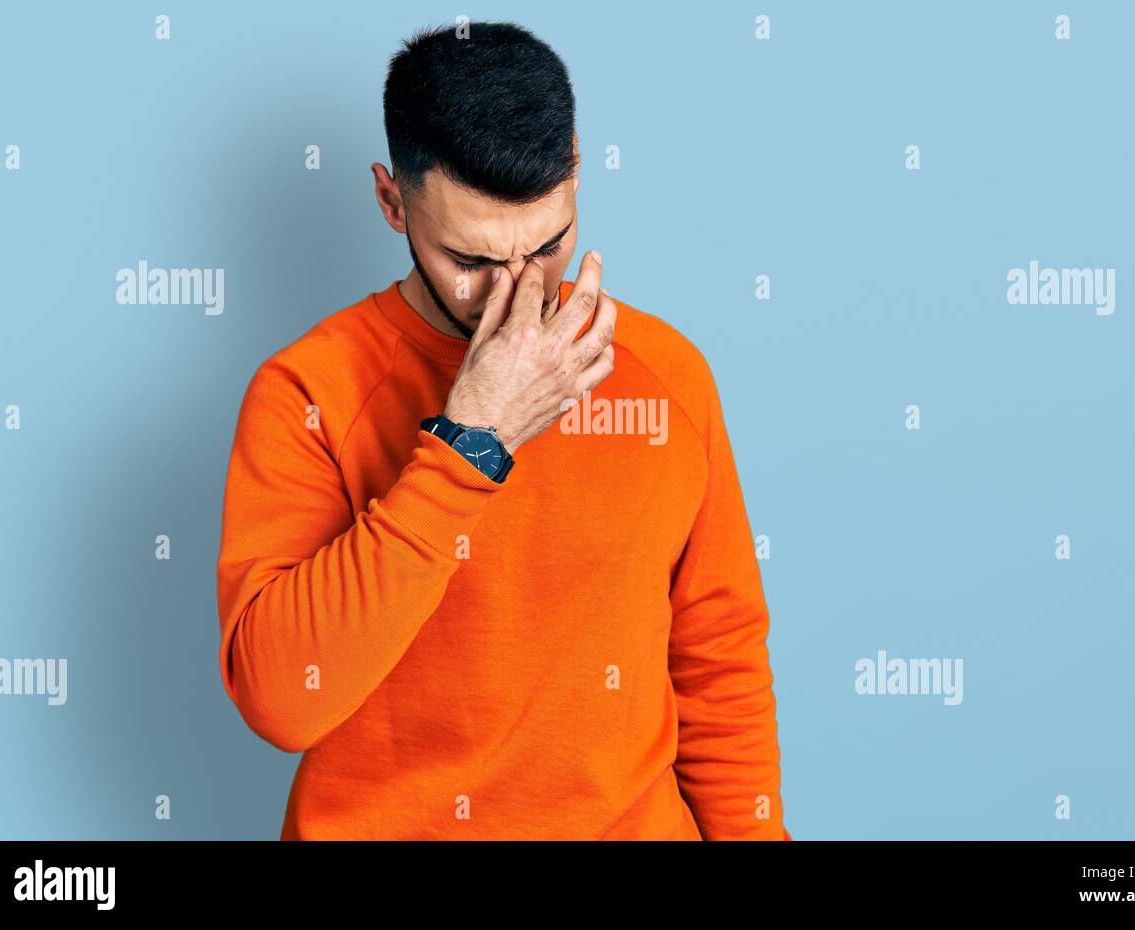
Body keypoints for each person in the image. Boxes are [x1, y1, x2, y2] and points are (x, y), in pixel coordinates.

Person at [216, 20, 791, 840]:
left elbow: (721, 667)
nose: (519, 292)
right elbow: (282, 701)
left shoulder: (667, 377)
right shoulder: (306, 391)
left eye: (550, 244)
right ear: (391, 202)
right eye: (472, 260)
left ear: (578, 169)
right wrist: (472, 441)